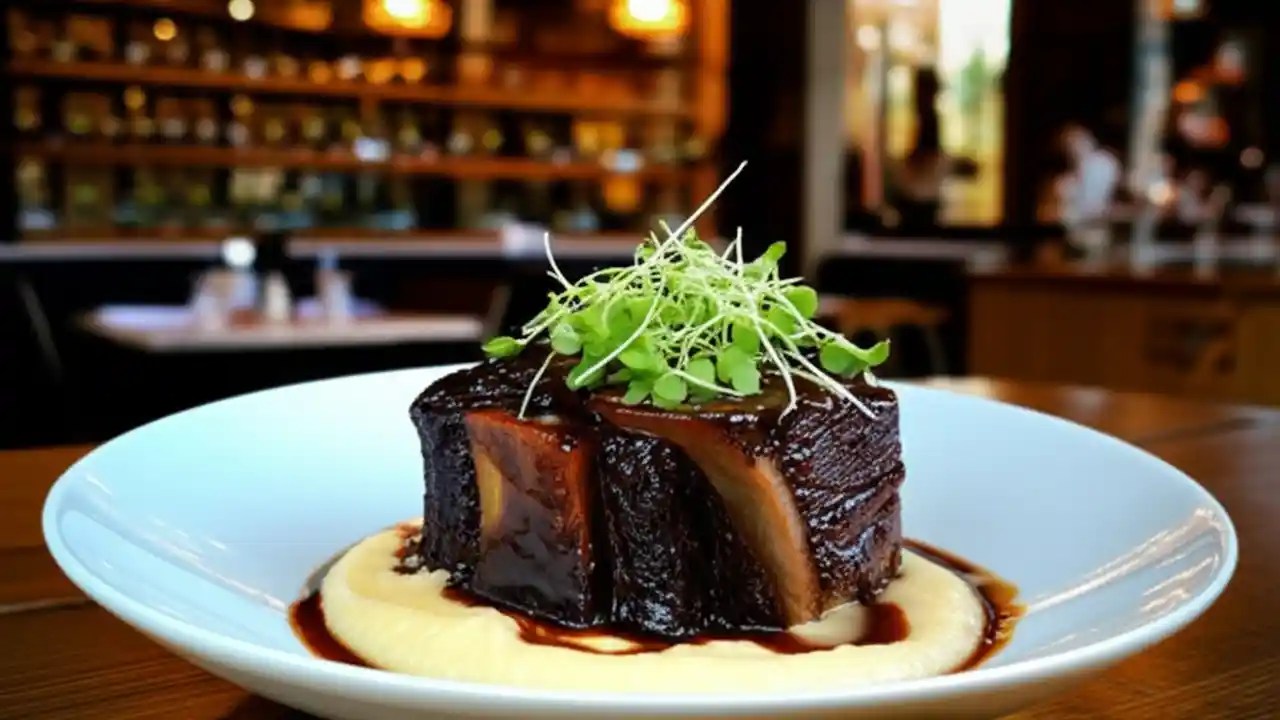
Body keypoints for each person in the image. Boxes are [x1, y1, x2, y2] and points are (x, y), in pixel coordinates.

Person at [1056, 124, 1122, 258]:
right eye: (1069, 145)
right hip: (1073, 238)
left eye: (1077, 141)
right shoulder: (1065, 180)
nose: (1074, 147)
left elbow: (1110, 198)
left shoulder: (1104, 163)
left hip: (1098, 235)